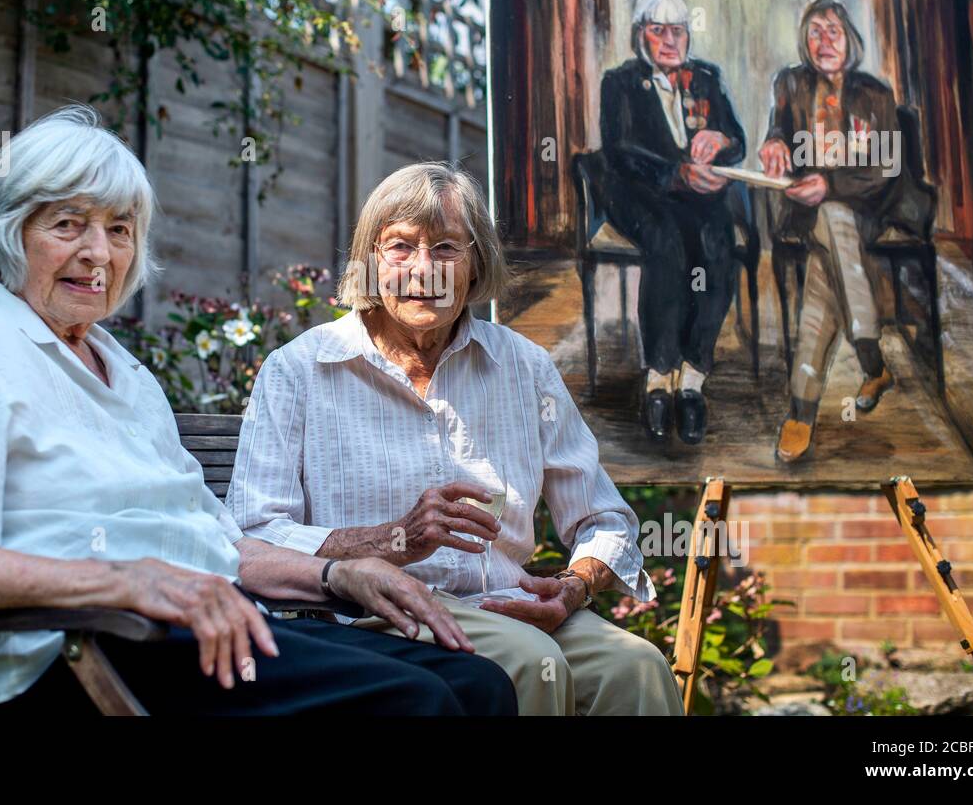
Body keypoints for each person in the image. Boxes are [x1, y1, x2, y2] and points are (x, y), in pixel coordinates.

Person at [0, 105, 517, 716]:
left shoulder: (120, 370)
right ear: (7, 227)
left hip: (198, 634)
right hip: (65, 663)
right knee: (415, 705)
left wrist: (339, 574)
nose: (99, 253)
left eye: (119, 230)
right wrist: (130, 582)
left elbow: (224, 547)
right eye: (68, 224)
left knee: (475, 684)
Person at [226, 161, 684, 716]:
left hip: (506, 601)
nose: (425, 270)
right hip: (376, 612)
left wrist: (571, 588)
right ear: (370, 263)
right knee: (525, 660)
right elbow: (253, 533)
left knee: (635, 667)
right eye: (400, 247)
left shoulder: (522, 367)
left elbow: (604, 521)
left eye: (446, 248)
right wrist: (390, 539)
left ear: (475, 265)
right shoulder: (300, 370)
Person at [759, 0, 933, 462]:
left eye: (832, 30)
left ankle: (801, 412)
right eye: (814, 31)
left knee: (830, 241)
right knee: (826, 252)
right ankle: (871, 360)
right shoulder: (791, 84)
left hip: (868, 208)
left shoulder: (875, 94)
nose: (823, 41)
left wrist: (830, 183)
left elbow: (888, 167)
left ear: (849, 39)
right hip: (811, 215)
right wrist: (775, 144)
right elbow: (777, 129)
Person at [595, 0, 747, 445]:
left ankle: (694, 376)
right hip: (641, 191)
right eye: (657, 30)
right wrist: (674, 173)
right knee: (665, 243)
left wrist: (719, 141)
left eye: (676, 30)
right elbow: (619, 152)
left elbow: (737, 141)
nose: (668, 40)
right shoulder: (620, 83)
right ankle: (660, 376)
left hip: (696, 194)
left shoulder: (706, 78)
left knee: (720, 243)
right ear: (640, 35)